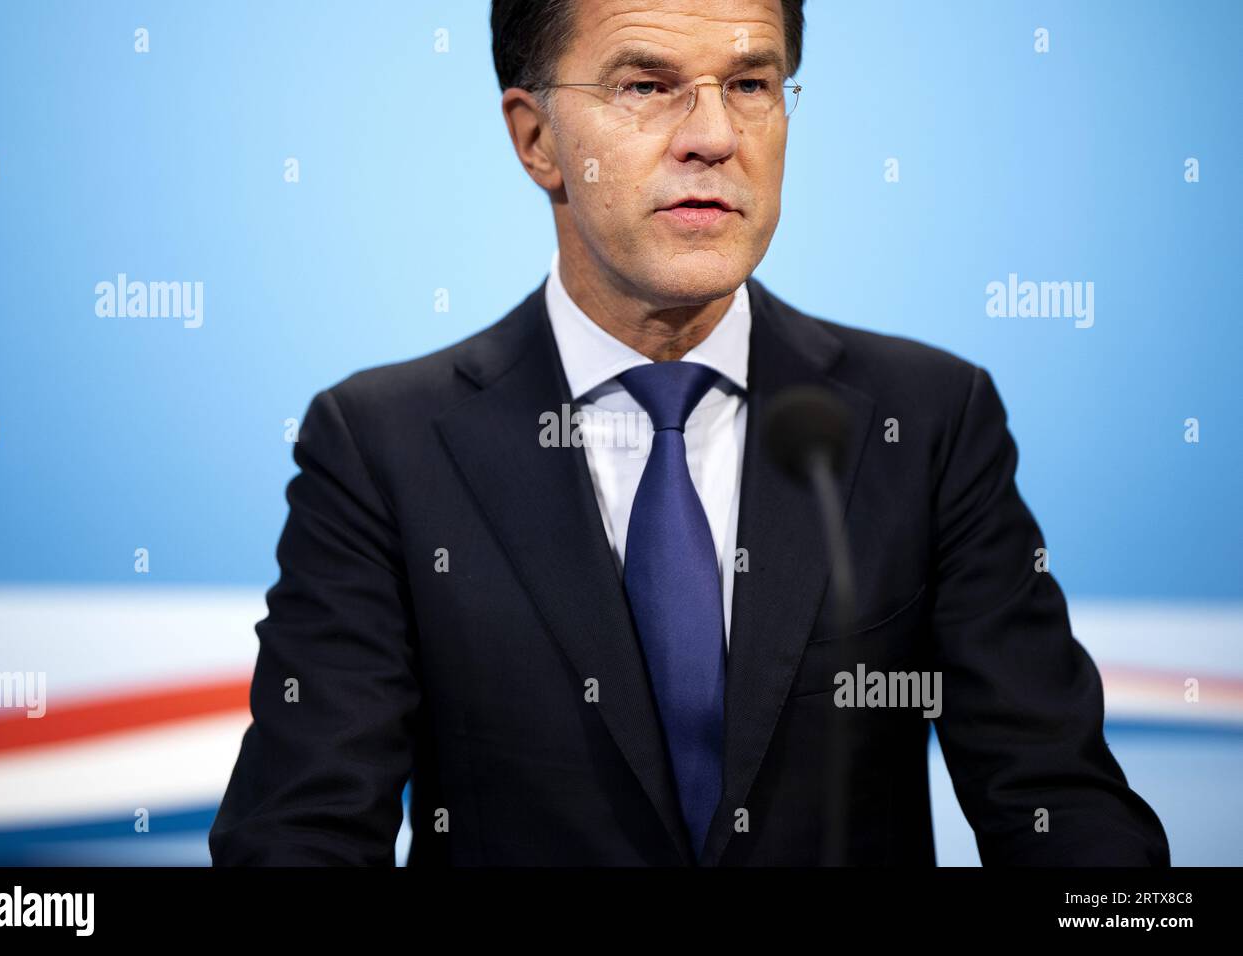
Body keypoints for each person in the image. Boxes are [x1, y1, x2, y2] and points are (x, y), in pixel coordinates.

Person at [209, 0, 1169, 866]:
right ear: (536, 139)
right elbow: (300, 836)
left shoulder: (927, 420)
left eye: (751, 83)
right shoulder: (384, 445)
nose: (713, 137)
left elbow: (1060, 809)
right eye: (645, 86)